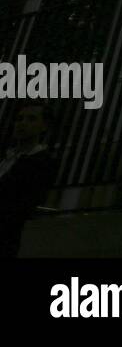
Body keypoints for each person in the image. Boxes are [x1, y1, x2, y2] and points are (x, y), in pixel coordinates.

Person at [0, 100, 58, 257]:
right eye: (19, 119)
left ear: (44, 126)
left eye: (31, 119)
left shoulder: (42, 162)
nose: (22, 124)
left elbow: (25, 203)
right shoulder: (7, 156)